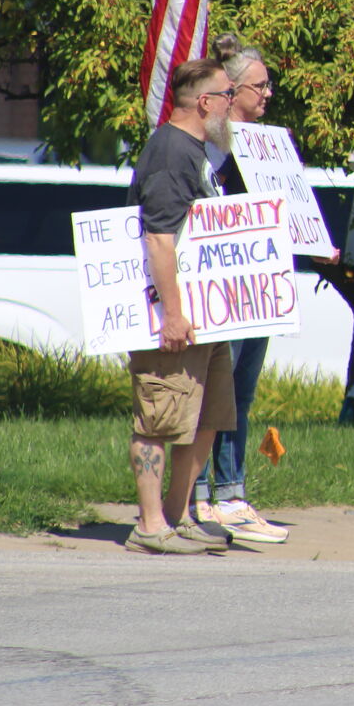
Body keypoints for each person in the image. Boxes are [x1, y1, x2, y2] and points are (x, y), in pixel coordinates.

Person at [123, 56, 239, 555]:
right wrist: (172, 313)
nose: (233, 107)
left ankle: (178, 515)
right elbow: (159, 240)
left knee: (207, 416)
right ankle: (150, 526)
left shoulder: (196, 152)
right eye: (228, 96)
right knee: (159, 416)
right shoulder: (172, 151)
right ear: (205, 102)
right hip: (173, 317)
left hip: (205, 320)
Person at [188, 33, 291, 544]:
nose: (267, 94)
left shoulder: (268, 148)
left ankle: (227, 491)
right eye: (259, 85)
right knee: (216, 394)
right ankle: (207, 493)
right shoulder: (213, 150)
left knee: (240, 394)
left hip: (259, 290)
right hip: (222, 293)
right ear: (231, 91)